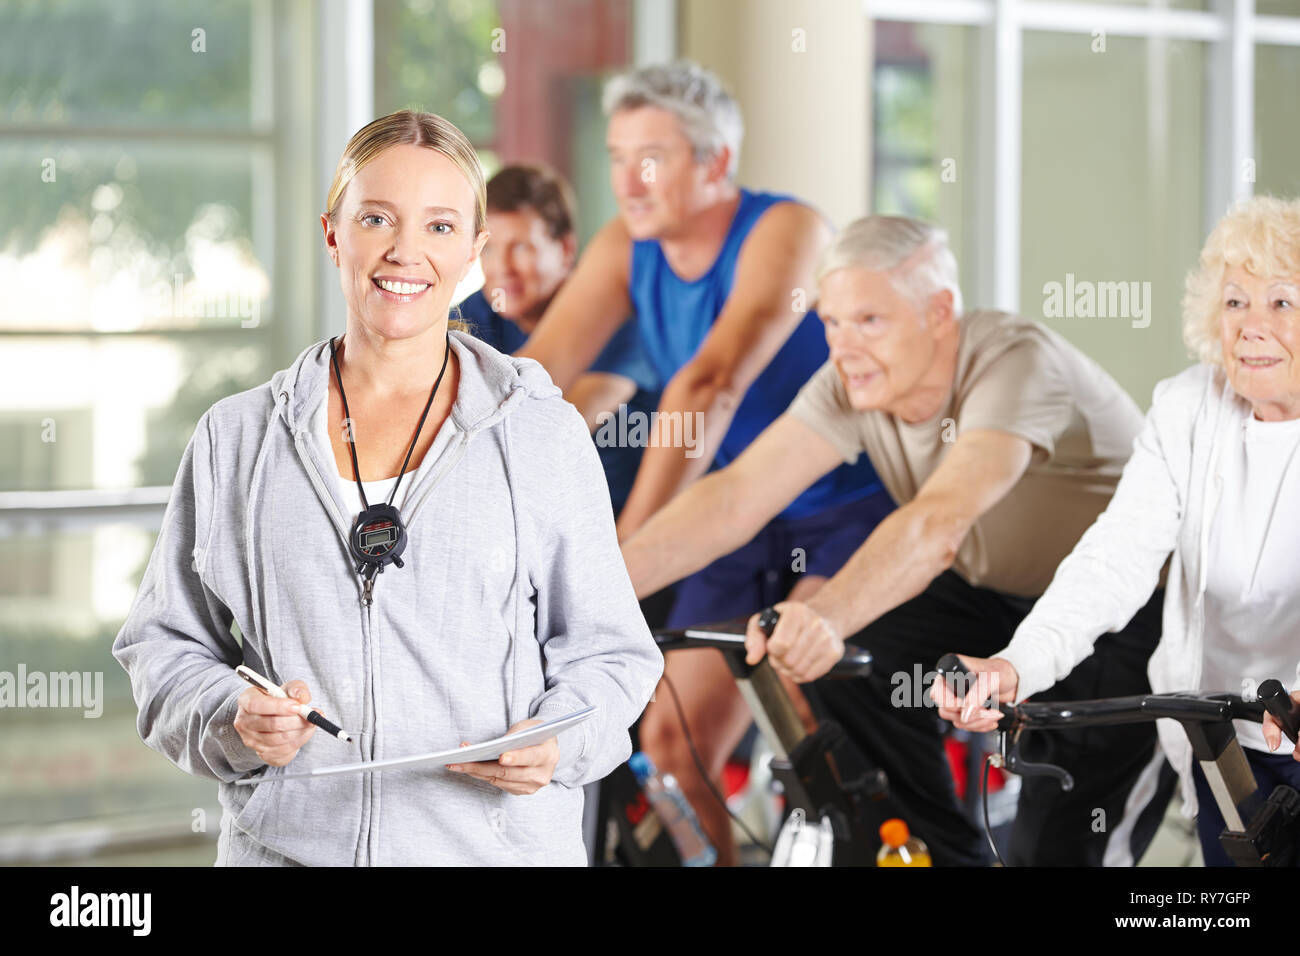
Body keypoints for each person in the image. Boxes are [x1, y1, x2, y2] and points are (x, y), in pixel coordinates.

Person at [111, 109, 663, 866]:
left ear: (473, 252)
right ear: (334, 232)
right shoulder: (235, 440)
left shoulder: (540, 435)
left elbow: (613, 655)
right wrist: (230, 713)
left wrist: (559, 741)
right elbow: (164, 646)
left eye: (440, 227)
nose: (406, 251)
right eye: (377, 218)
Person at [622, 214, 1177, 867]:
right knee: (856, 658)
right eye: (830, 323)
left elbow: (938, 524)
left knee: (1051, 853)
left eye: (869, 322)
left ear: (939, 313)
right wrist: (594, 590)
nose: (843, 346)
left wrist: (823, 617)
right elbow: (735, 498)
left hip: (1121, 616)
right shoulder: (852, 383)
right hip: (993, 594)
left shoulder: (1015, 362)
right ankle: (939, 855)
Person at [517, 60, 893, 866]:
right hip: (731, 518)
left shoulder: (787, 228)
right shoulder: (626, 246)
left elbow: (711, 384)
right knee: (672, 745)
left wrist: (619, 560)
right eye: (616, 156)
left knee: (801, 702)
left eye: (650, 156)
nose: (627, 179)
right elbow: (536, 379)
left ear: (715, 162)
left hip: (839, 512)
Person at [935, 195, 1300, 867]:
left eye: (1281, 302)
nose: (1251, 326)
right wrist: (1018, 666)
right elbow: (1114, 557)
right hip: (1221, 739)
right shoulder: (1188, 407)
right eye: (1234, 302)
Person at [455, 163, 660, 517]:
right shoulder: (479, 312)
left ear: (566, 249)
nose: (502, 267)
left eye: (522, 248)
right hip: (529, 517)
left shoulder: (612, 313)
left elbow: (564, 422)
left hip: (616, 521)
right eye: (489, 248)